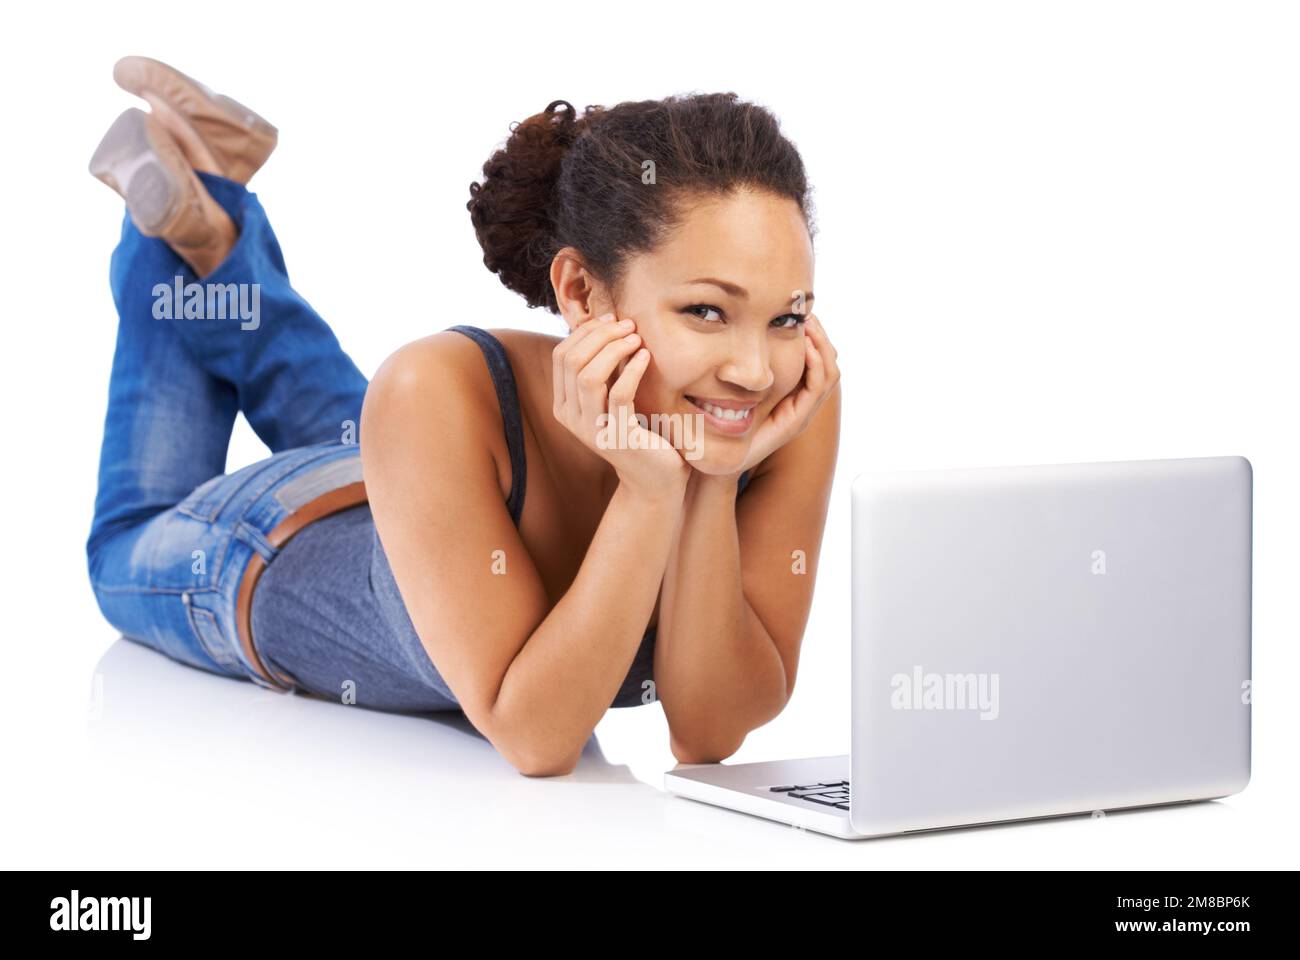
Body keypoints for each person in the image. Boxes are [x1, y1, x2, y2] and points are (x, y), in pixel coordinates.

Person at [86, 56, 841, 777]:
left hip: (421, 487)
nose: (753, 370)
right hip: (258, 544)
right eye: (707, 311)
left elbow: (708, 730)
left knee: (387, 421)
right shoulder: (436, 388)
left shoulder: (772, 401)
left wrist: (710, 480)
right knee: (123, 541)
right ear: (580, 292)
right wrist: (648, 493)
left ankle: (211, 199)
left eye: (786, 317)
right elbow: (538, 738)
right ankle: (177, 224)